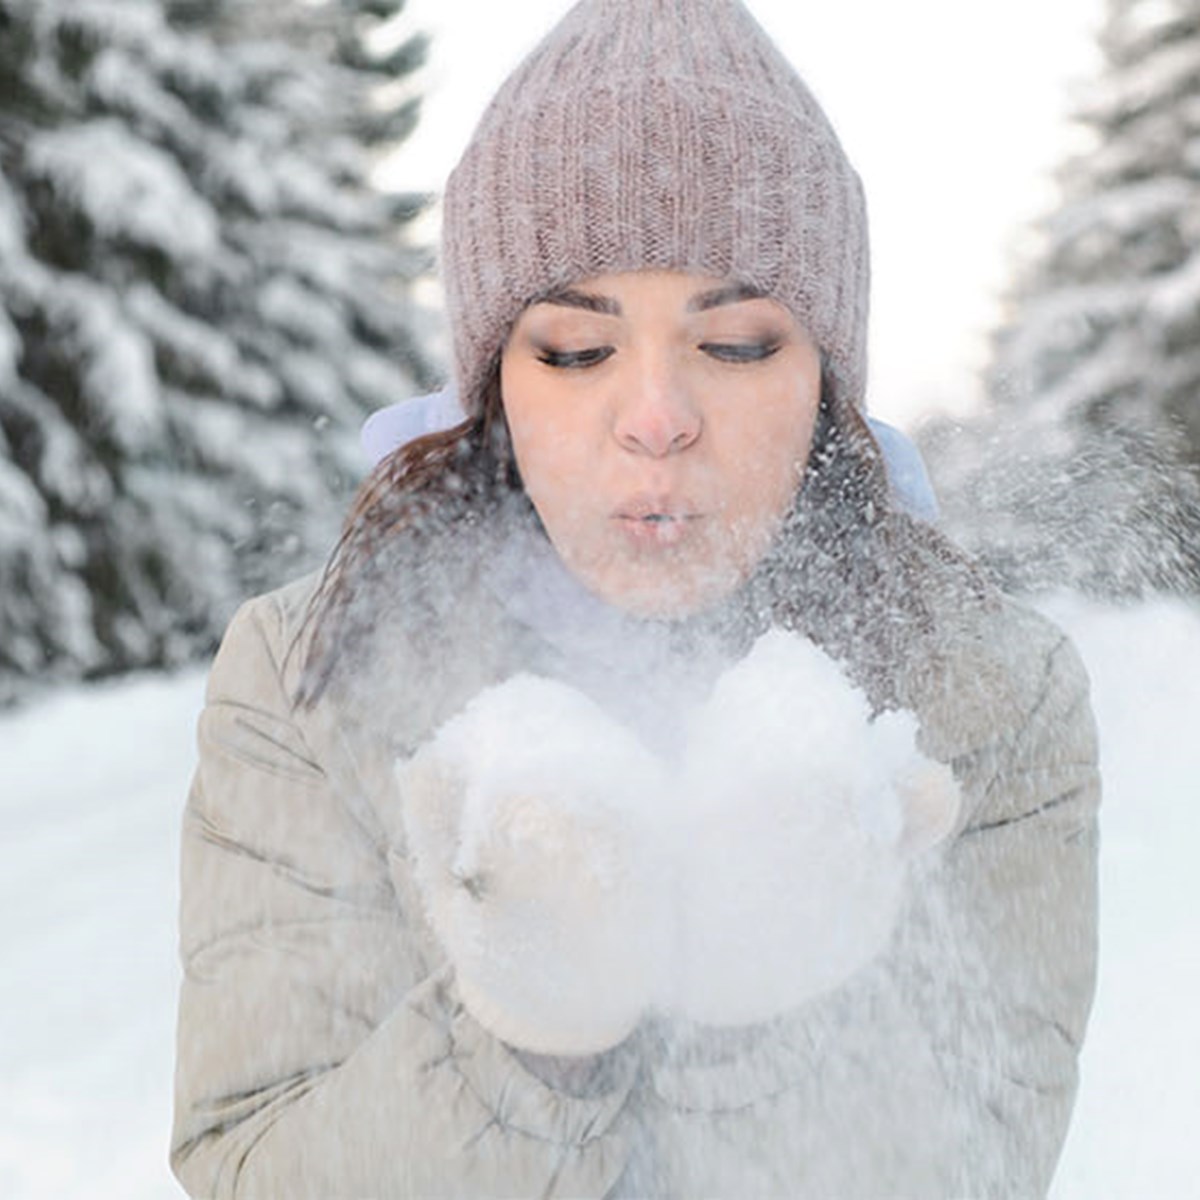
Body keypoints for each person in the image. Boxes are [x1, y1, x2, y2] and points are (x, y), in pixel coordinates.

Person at [170, 1, 1100, 1196]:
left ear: (827, 378)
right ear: (494, 383)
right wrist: (523, 1040)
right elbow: (253, 1162)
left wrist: (763, 1006)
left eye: (741, 343)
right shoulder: (312, 679)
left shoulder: (988, 696)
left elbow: (986, 1165)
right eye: (573, 350)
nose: (657, 416)